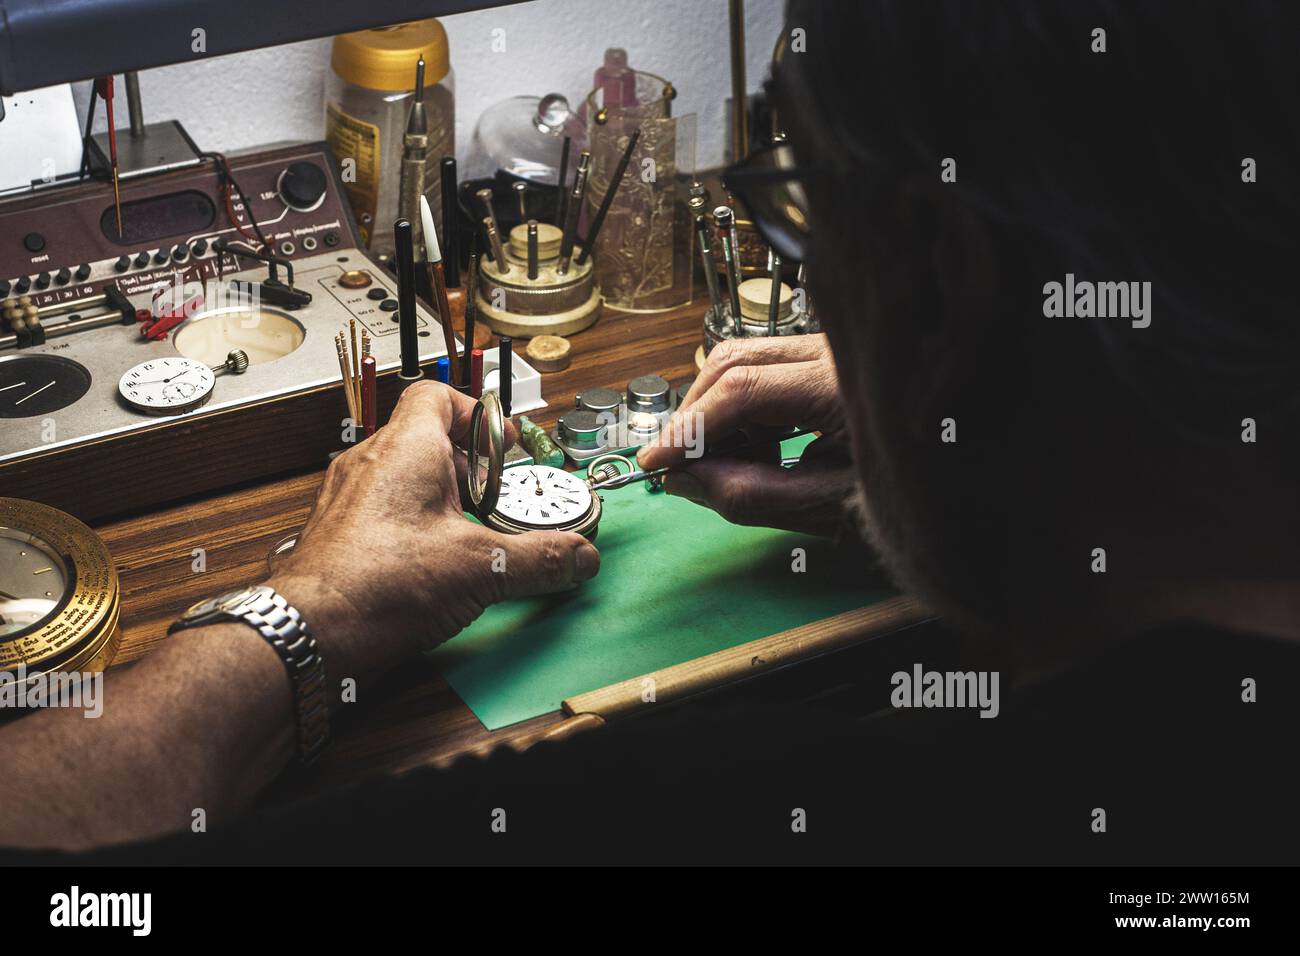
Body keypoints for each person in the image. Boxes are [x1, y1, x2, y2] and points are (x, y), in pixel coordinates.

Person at [2, 0, 1297, 863]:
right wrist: (992, 456)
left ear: (939, 278)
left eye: (801, 225)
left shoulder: (689, 800)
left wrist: (316, 612)